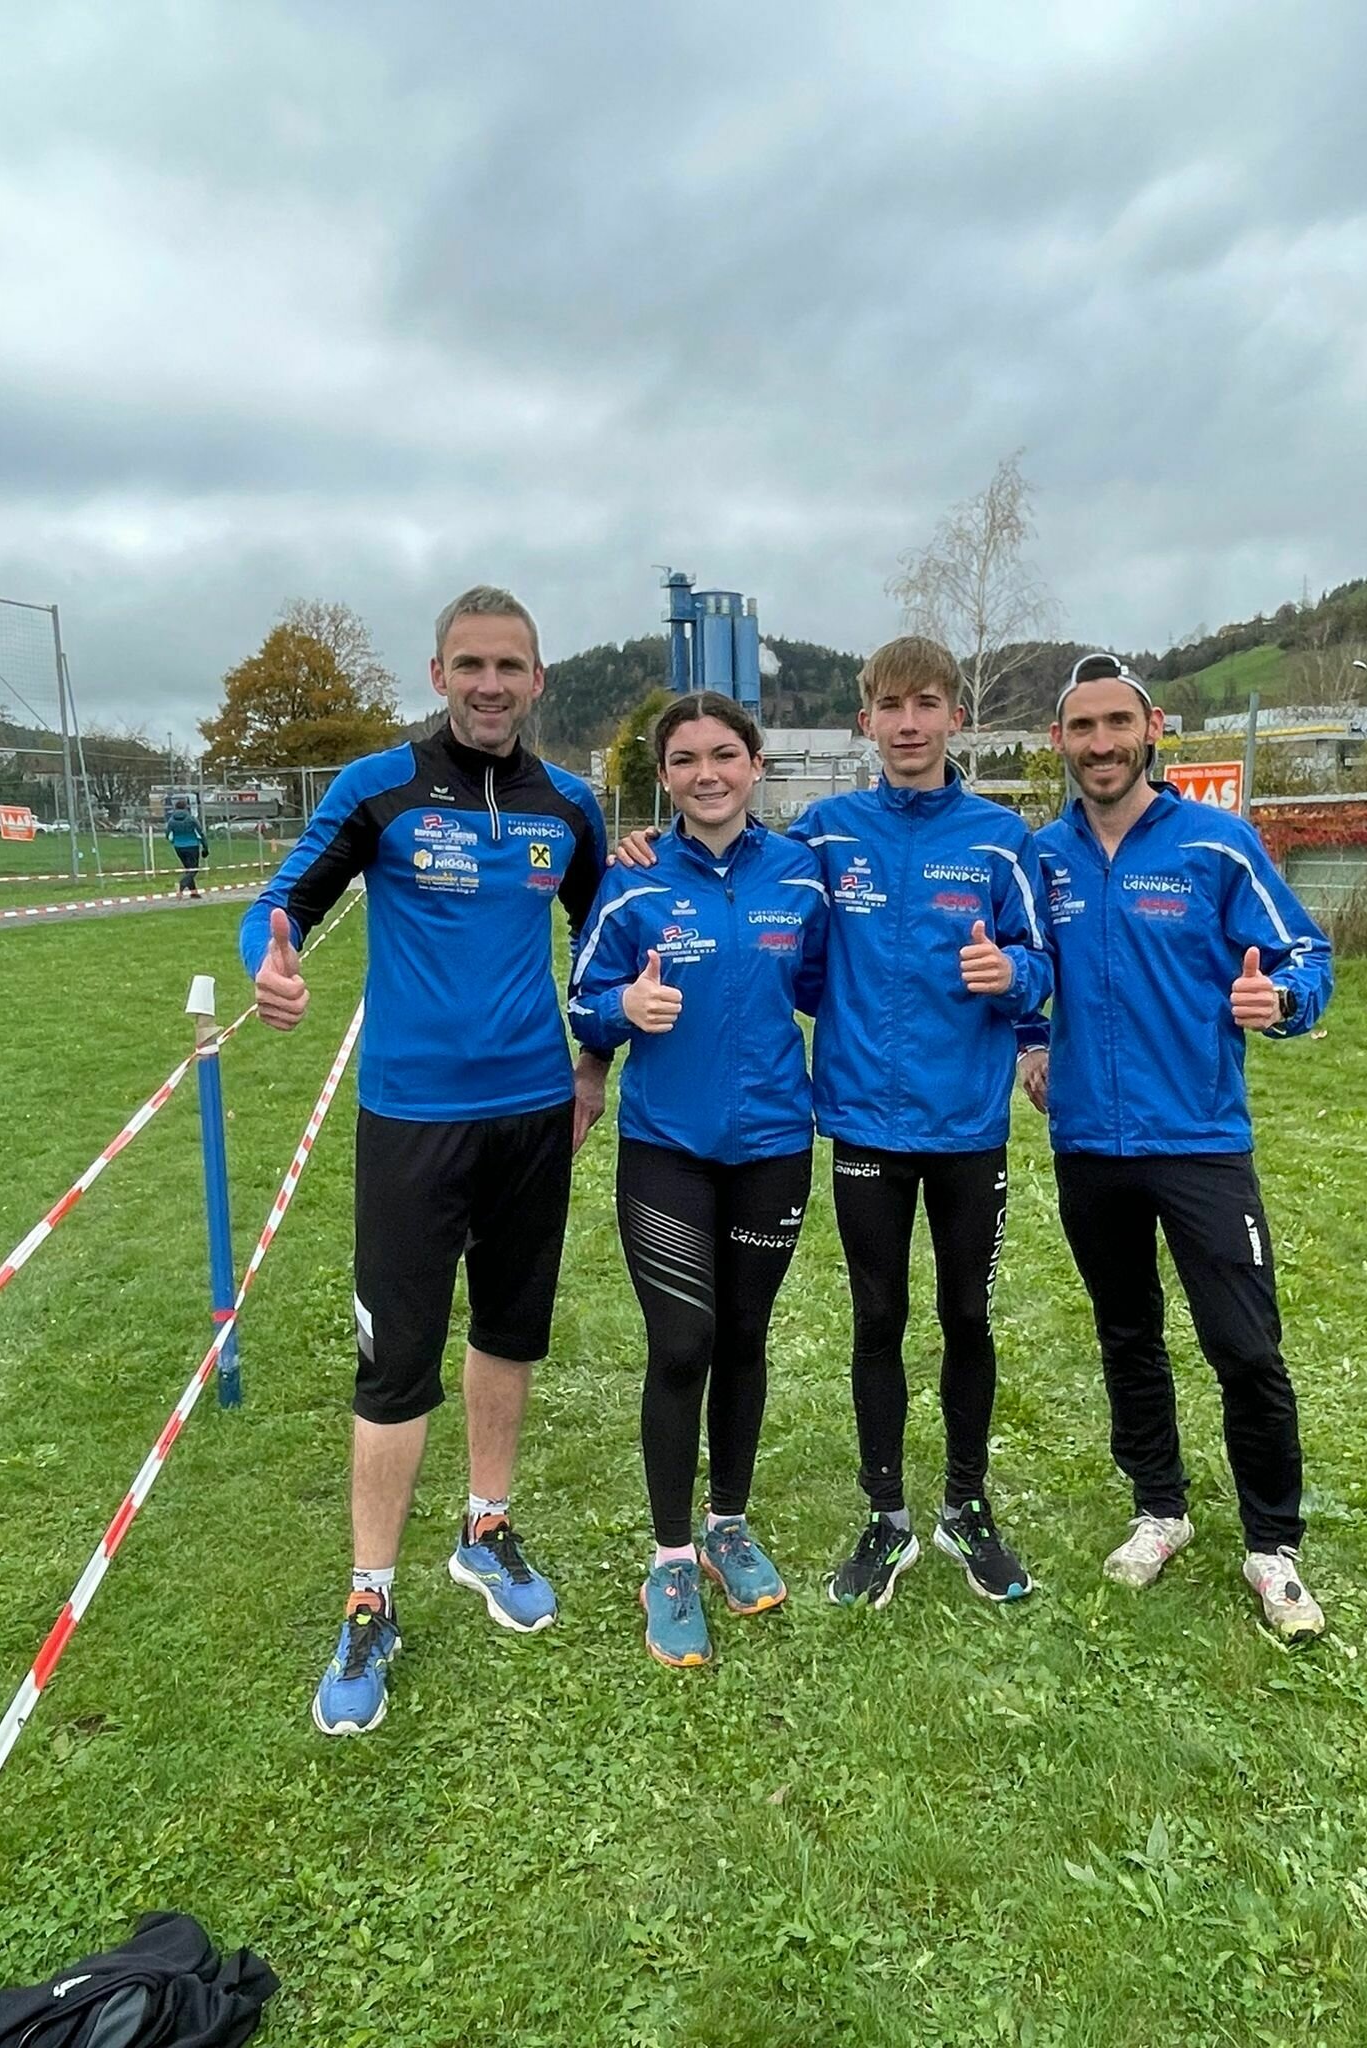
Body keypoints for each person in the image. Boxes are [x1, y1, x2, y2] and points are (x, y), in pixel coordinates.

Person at [613, 638, 1055, 1611]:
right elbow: (760, 902)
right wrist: (642, 843)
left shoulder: (999, 838)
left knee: (967, 1315)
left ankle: (967, 1506)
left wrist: (1014, 983)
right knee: (877, 1317)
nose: (908, 721)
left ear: (954, 717)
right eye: (889, 704)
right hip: (859, 1120)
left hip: (969, 1122)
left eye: (926, 702)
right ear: (865, 720)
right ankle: (886, 1515)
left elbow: (1039, 965)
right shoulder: (825, 835)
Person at [239, 585, 611, 1735]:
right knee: (395, 1361)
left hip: (533, 1117)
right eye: (470, 664)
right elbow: (282, 900)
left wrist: (592, 1068)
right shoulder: (379, 789)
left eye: (511, 665)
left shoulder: (573, 805)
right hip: (412, 1120)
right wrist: (272, 960)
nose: (490, 684)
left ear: (537, 679)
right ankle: (371, 1594)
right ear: (440, 671)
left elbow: (603, 942)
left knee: (509, 1329)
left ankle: (485, 1525)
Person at [1019, 653, 1333, 1642]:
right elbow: (1021, 958)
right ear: (1062, 741)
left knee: (1245, 1347)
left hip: (1199, 1140)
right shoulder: (1044, 857)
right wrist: (1033, 1040)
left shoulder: (1217, 843)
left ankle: (1272, 1544)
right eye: (1083, 728)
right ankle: (1160, 1508)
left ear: (1152, 728)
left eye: (1119, 723)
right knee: (1127, 1334)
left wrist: (1278, 999)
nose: (1102, 744)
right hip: (1089, 1144)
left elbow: (1306, 953)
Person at [569, 692, 828, 1668]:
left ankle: (728, 1523)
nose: (706, 772)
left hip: (772, 1146)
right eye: (685, 759)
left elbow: (827, 984)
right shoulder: (633, 882)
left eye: (725, 754)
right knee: (685, 1341)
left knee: (748, 1336)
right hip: (668, 1148)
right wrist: (622, 1006)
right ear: (664, 776)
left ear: (755, 765)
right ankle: (671, 1554)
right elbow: (584, 1003)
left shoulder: (800, 876)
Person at [164, 799, 209, 896]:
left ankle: (193, 892)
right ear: (186, 807)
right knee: (194, 869)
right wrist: (205, 847)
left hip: (178, 847)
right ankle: (182, 884)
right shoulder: (191, 819)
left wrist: (173, 841)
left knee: (188, 869)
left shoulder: (171, 821)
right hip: (192, 845)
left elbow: (168, 834)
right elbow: (200, 833)